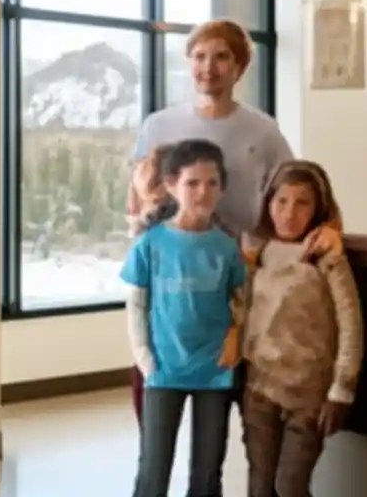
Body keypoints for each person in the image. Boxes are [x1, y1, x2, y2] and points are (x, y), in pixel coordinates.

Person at [126, 19, 343, 423]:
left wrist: (331, 226)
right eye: (200, 56)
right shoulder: (158, 126)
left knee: (235, 407)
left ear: (240, 66)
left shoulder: (262, 131)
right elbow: (135, 198)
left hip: (235, 280)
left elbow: (299, 185)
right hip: (170, 280)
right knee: (155, 404)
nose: (209, 67)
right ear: (189, 62)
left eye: (222, 56)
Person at [122, 139, 246, 497]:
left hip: (215, 369)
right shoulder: (151, 244)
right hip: (163, 369)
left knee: (208, 470)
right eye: (192, 183)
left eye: (211, 183)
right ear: (172, 185)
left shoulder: (226, 247)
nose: (202, 192)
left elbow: (240, 302)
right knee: (153, 467)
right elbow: (136, 305)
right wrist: (145, 359)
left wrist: (235, 340)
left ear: (222, 188)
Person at [240, 160, 362, 497]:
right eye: (281, 201)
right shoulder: (259, 255)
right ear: (269, 204)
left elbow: (350, 323)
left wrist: (342, 389)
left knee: (290, 485)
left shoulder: (327, 257)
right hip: (259, 389)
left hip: (308, 394)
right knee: (260, 483)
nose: (289, 213)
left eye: (302, 202)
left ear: (318, 208)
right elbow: (243, 314)